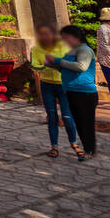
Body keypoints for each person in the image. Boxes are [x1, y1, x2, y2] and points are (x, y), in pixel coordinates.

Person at [47, 25, 99, 160]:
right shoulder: (71, 51)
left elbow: (81, 67)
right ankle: (87, 150)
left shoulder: (84, 50)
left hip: (85, 93)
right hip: (71, 91)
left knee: (86, 123)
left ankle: (90, 151)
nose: (64, 41)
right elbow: (66, 69)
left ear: (75, 37)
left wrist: (58, 60)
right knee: (79, 123)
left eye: (66, 37)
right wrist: (53, 64)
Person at [30, 24, 79, 158]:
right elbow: (35, 66)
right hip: (47, 85)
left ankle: (74, 143)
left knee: (67, 116)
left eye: (48, 34)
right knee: (51, 116)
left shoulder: (64, 48)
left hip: (64, 85)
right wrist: (45, 65)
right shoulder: (36, 49)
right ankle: (54, 147)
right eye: (42, 34)